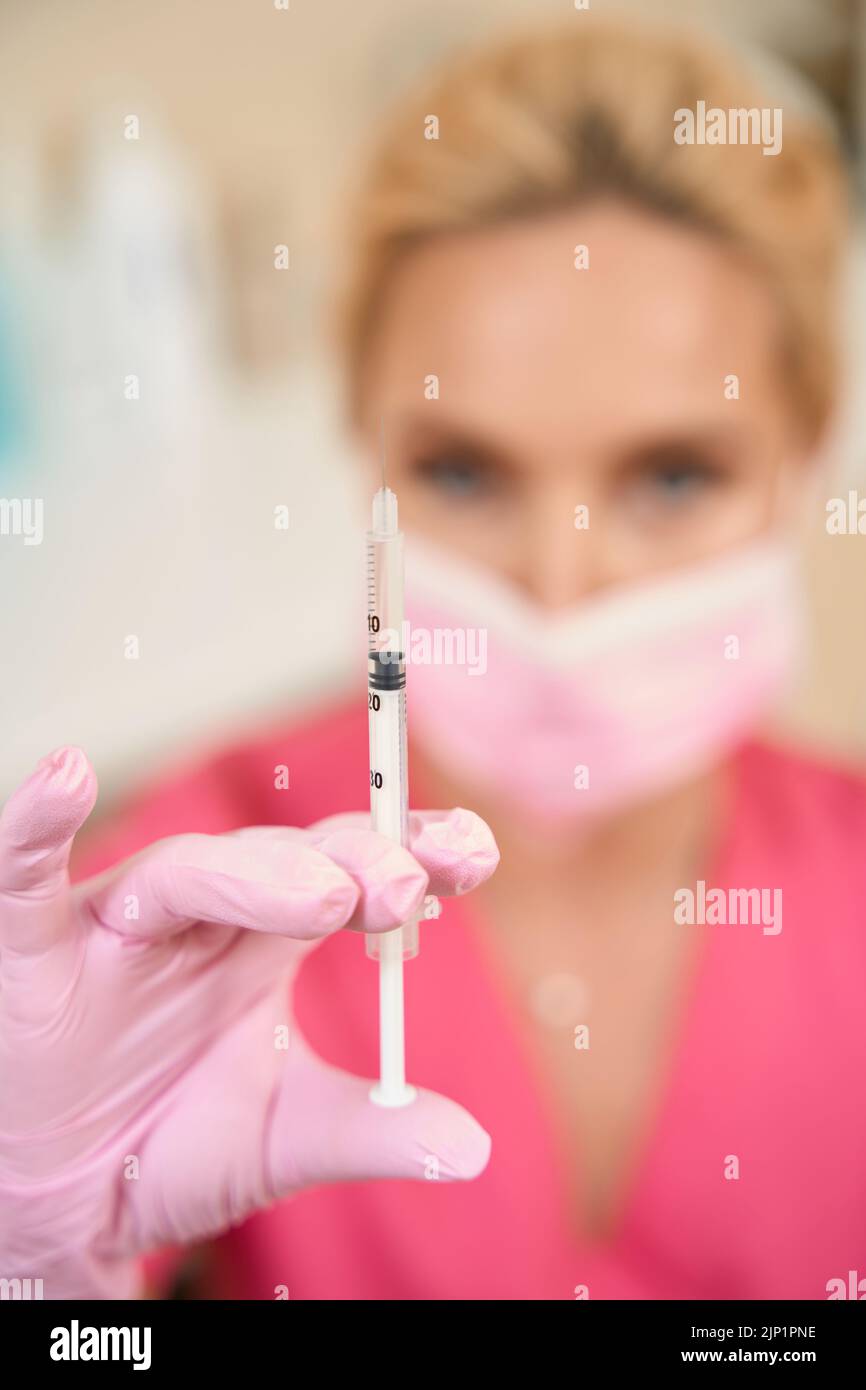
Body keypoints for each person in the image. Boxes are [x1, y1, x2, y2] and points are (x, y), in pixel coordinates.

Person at [2, 16, 864, 1301]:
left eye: (673, 474)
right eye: (462, 469)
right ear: (364, 443)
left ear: (803, 453)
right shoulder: (200, 883)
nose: (560, 587)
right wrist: (44, 1273)